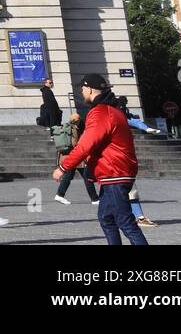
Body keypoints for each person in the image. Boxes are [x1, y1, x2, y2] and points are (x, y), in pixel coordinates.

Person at [52, 73, 146, 246]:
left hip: (115, 173)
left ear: (89, 89)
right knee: (106, 218)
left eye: (82, 88)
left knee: (125, 223)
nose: (81, 92)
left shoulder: (100, 112)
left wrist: (63, 167)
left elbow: (85, 144)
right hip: (116, 171)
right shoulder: (113, 110)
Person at [52, 112, 98, 205]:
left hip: (67, 157)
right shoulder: (73, 129)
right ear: (77, 120)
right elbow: (75, 144)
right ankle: (94, 199)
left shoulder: (66, 128)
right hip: (74, 158)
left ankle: (60, 195)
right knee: (86, 177)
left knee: (69, 176)